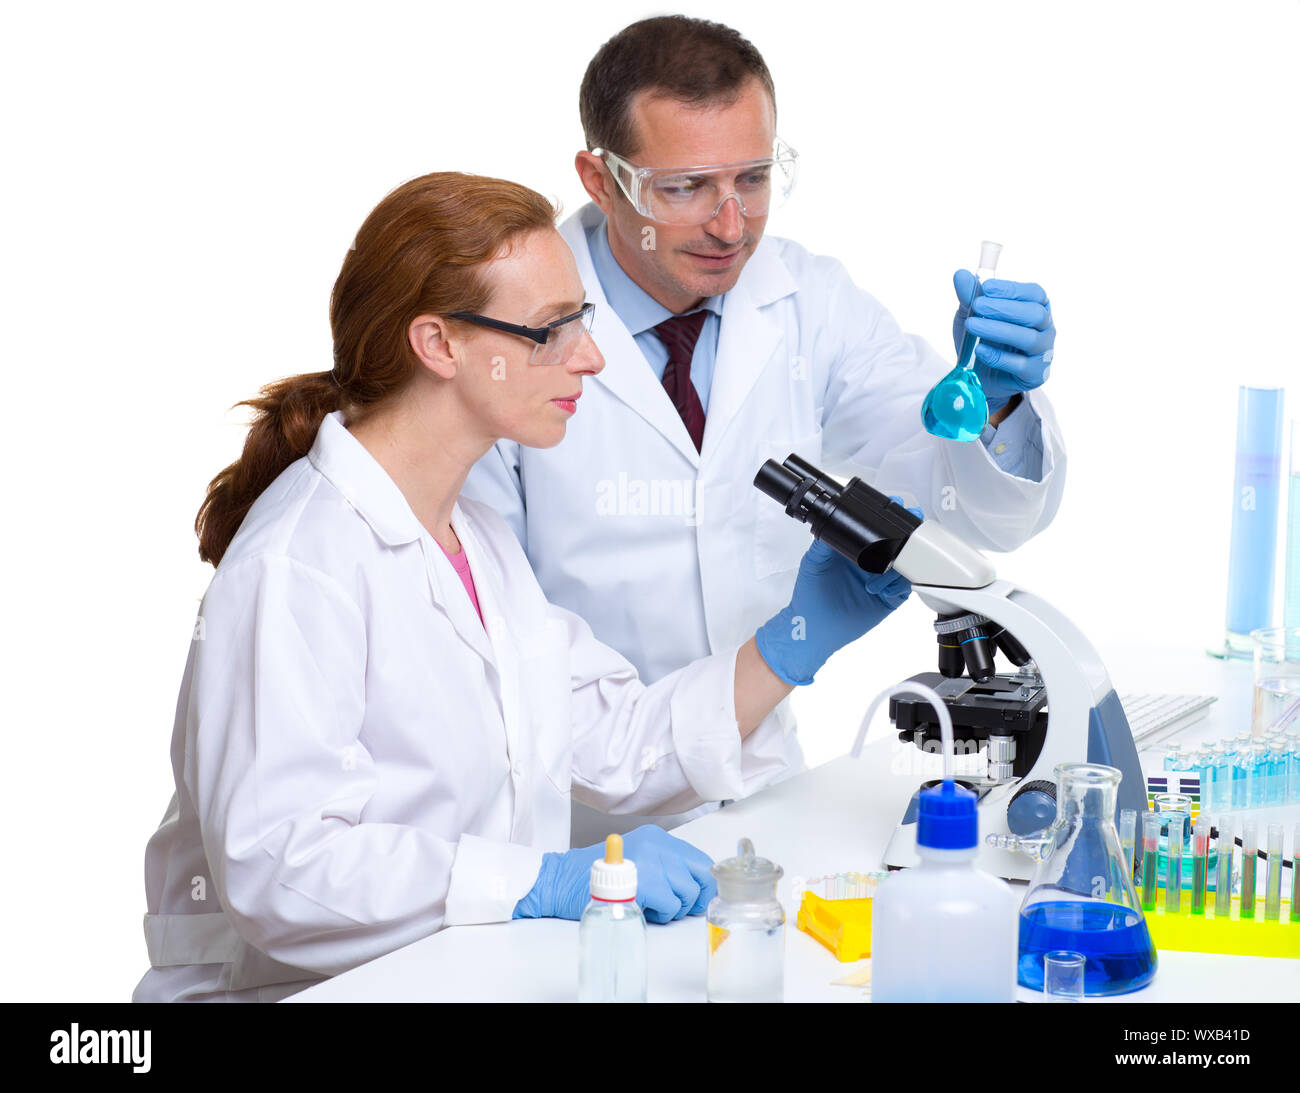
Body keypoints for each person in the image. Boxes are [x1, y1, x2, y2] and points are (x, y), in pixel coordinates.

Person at [132, 171, 914, 1002]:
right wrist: (541, 880)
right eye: (551, 329)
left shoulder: (475, 535)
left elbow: (612, 741)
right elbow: (281, 866)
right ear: (438, 345)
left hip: (460, 978)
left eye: (581, 317)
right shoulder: (298, 564)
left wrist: (797, 639)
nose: (592, 354)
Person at [462, 16, 1065, 843]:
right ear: (600, 180)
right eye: (686, 188)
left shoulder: (807, 300)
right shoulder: (505, 330)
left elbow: (970, 510)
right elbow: (488, 630)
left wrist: (991, 402)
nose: (731, 224)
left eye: (752, 177)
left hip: (759, 797)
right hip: (564, 815)